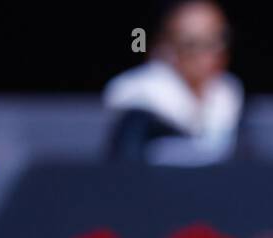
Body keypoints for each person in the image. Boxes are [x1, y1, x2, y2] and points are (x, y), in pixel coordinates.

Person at [102, 1, 243, 165]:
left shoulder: (227, 94)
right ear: (167, 48)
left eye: (218, 39)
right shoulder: (140, 100)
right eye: (193, 43)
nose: (209, 54)